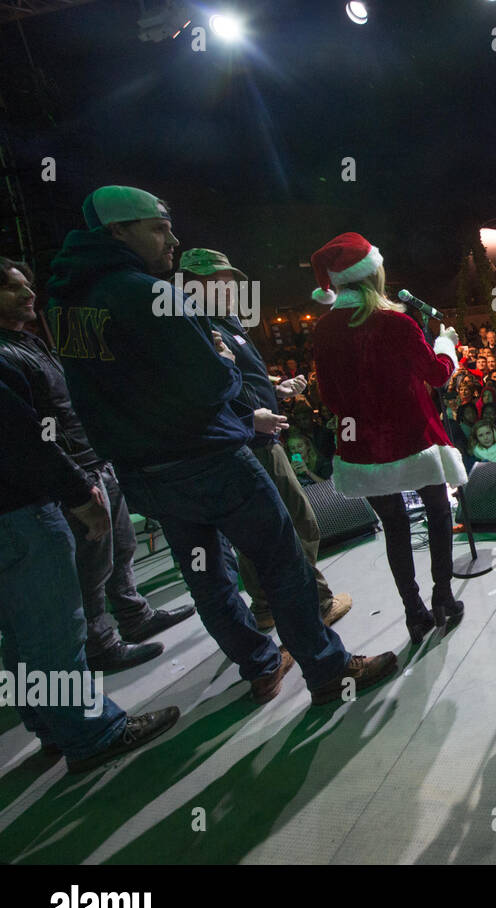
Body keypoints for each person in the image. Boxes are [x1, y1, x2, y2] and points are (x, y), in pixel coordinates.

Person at [48, 187, 395, 707]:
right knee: (282, 559)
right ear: (117, 231)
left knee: (207, 578)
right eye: (159, 227)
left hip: (144, 469)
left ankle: (259, 664)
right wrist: (227, 373)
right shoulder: (145, 292)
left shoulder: (65, 305)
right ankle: (327, 669)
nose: (173, 238)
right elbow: (212, 382)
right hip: (208, 457)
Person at [0, 257, 190, 673]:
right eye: (13, 288)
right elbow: (30, 435)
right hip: (75, 474)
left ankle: (134, 616)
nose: (29, 293)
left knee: (121, 547)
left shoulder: (27, 341)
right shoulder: (6, 354)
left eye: (27, 285)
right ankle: (101, 645)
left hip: (94, 463)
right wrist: (75, 484)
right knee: (89, 567)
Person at [0, 369, 181, 773]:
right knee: (54, 636)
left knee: (18, 636)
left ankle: (50, 725)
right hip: (17, 514)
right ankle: (92, 734)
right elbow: (21, 432)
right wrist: (77, 491)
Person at [180, 248, 352, 633]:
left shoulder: (224, 321)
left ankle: (266, 606)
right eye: (219, 282)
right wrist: (247, 417)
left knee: (260, 533)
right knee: (298, 524)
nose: (229, 288)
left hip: (253, 438)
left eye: (230, 281)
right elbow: (197, 393)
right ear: (192, 284)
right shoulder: (194, 326)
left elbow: (238, 377)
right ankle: (314, 603)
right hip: (249, 444)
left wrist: (276, 388)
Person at [308, 232, 466, 645]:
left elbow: (328, 396)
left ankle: (413, 612)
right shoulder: (396, 322)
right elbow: (437, 374)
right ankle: (443, 597)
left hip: (362, 446)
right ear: (372, 273)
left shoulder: (324, 331)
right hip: (414, 437)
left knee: (394, 526)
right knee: (438, 511)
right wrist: (446, 344)